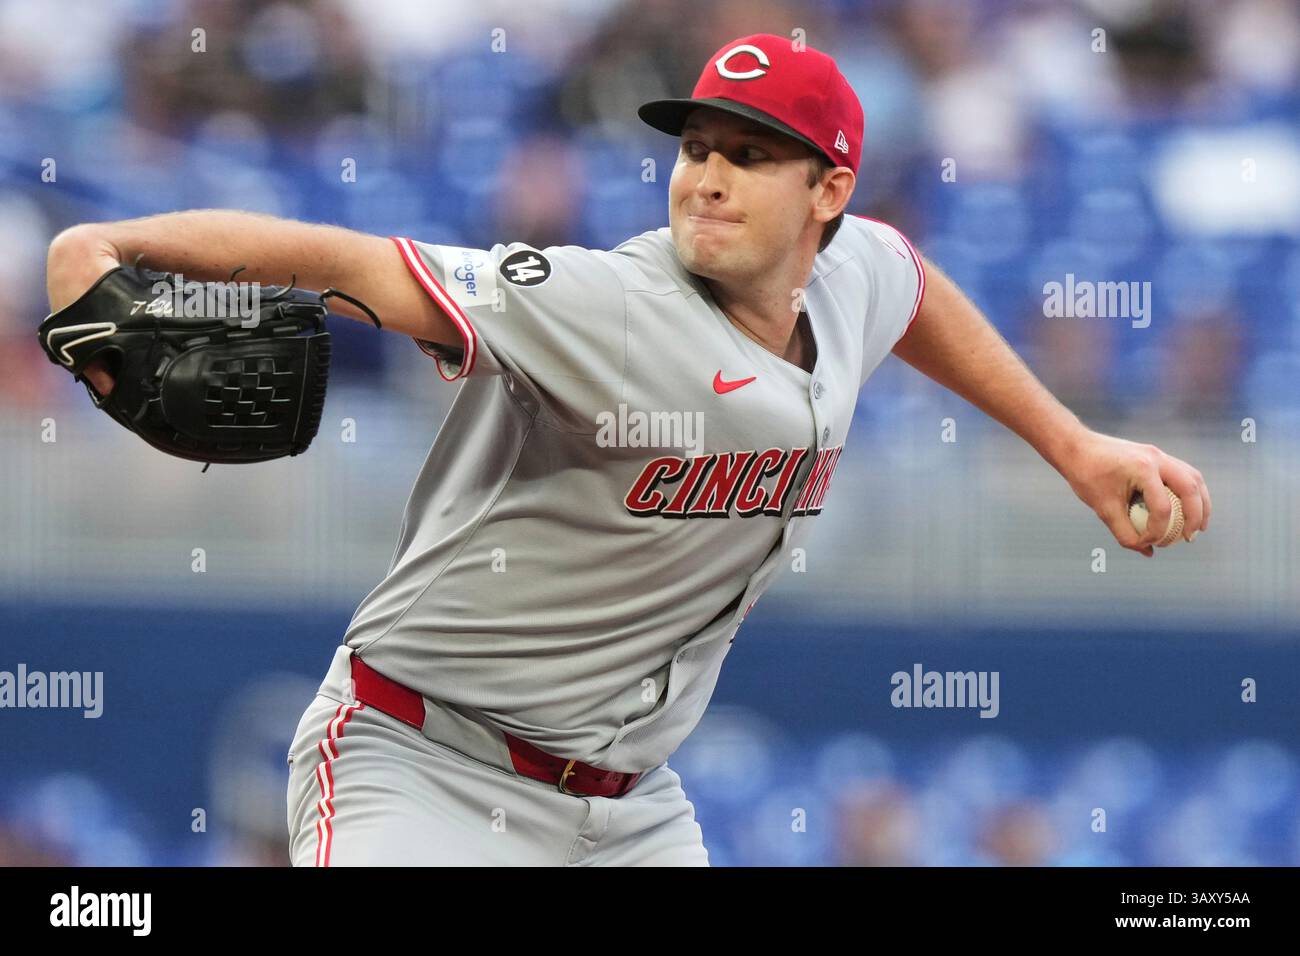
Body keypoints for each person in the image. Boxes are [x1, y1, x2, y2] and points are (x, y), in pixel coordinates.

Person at [43, 33, 1210, 866]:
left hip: (630, 805)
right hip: (428, 759)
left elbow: (906, 283)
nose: (706, 173)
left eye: (750, 155)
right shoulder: (596, 302)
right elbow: (345, 258)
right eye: (697, 143)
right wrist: (103, 240)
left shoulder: (849, 273)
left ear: (829, 190)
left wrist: (1071, 443)